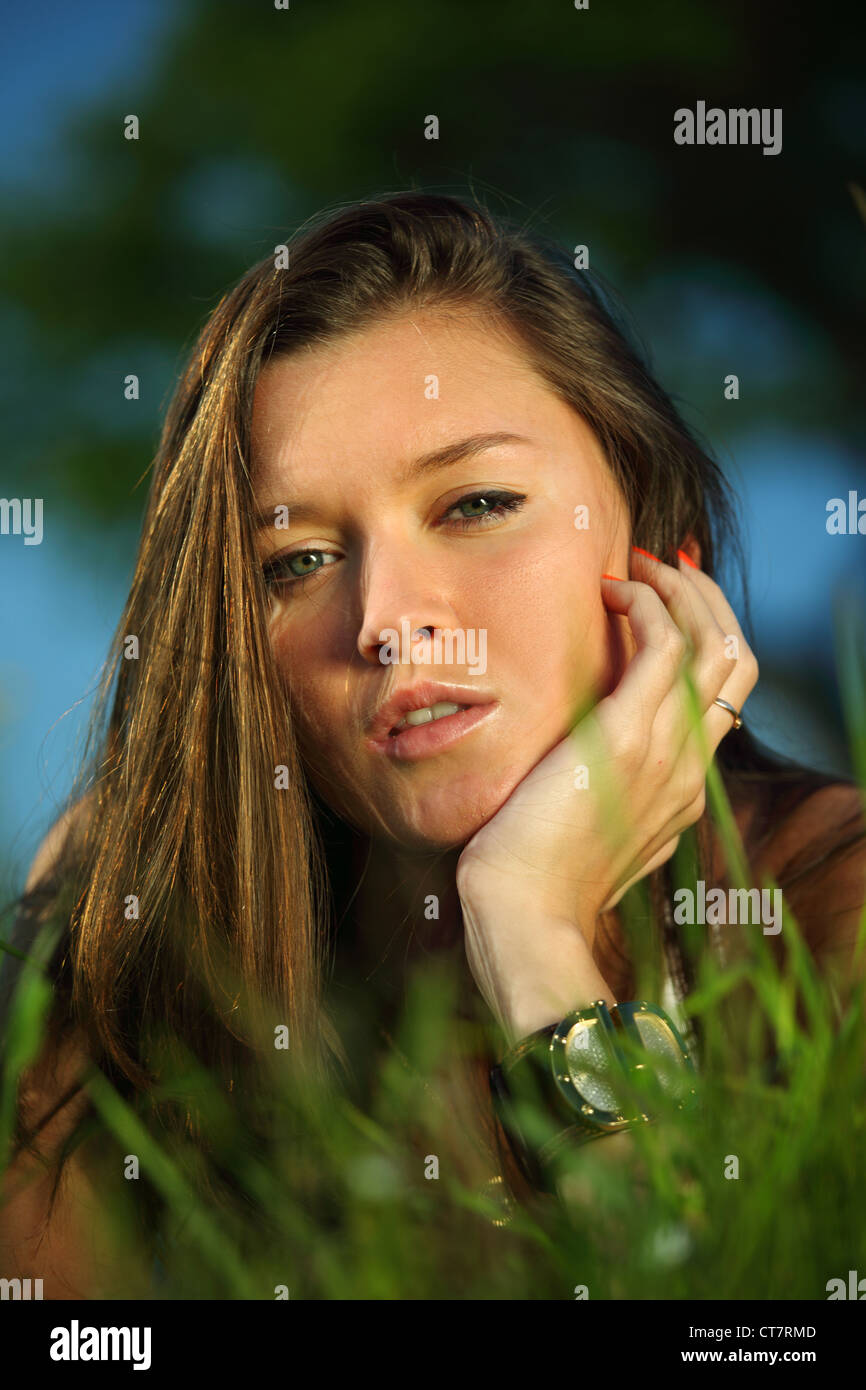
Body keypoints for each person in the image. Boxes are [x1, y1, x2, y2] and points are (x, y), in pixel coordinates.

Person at [1, 191, 864, 1296]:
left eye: (476, 502)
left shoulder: (827, 907)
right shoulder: (144, 909)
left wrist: (533, 933)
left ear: (661, 554)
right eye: (295, 562)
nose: (387, 618)